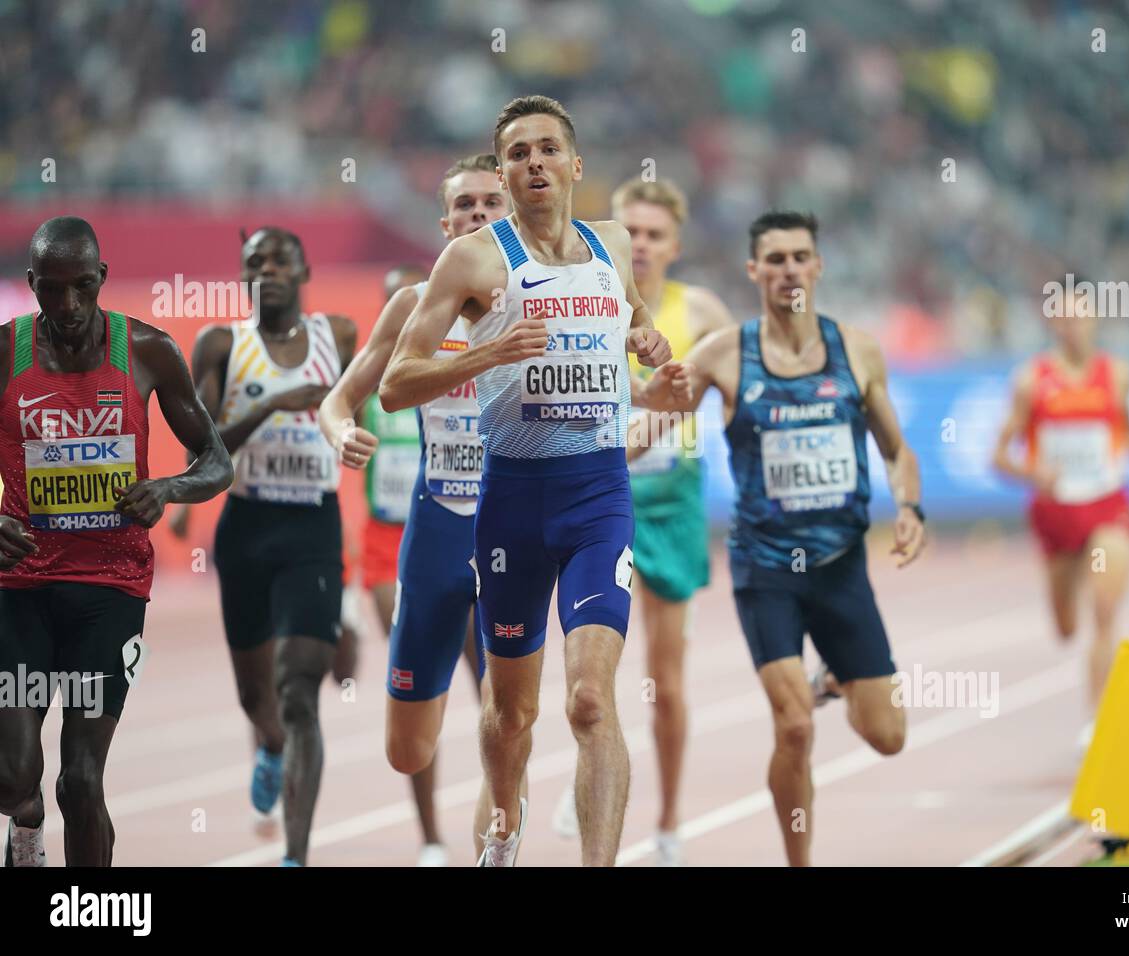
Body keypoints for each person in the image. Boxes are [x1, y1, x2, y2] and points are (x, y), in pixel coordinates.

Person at [380, 95, 677, 866]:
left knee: (587, 700)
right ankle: (503, 827)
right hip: (509, 502)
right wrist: (488, 351)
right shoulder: (475, 260)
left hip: (597, 499)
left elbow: (642, 324)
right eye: (518, 153)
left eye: (548, 149)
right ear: (505, 174)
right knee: (510, 715)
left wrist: (647, 341)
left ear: (575, 166)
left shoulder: (610, 244)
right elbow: (397, 383)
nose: (534, 163)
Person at [639, 211, 922, 866]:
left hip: (841, 566)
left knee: (888, 735)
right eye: (776, 259)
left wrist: (910, 508)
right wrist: (600, 454)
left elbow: (896, 449)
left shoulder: (856, 350)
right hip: (765, 568)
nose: (790, 269)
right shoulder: (723, 353)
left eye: (801, 257)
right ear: (754, 271)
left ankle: (838, 680)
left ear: (818, 267)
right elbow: (654, 422)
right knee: (792, 727)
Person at [0, 216, 233, 867]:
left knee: (81, 781)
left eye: (81, 287)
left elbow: (216, 463)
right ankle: (24, 822)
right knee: (14, 776)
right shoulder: (6, 352)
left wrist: (169, 490)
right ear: (32, 285)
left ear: (102, 279)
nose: (67, 306)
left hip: (112, 591)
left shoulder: (148, 351)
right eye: (51, 289)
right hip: (20, 588)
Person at [320, 154, 512, 866]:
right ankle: (434, 829)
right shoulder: (412, 307)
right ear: (444, 223)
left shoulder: (548, 296)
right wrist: (343, 431)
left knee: (506, 704)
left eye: (492, 202)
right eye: (464, 205)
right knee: (407, 747)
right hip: (434, 526)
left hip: (512, 528)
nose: (477, 215)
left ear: (514, 211)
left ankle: (499, 833)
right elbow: (340, 397)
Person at [551, 178, 733, 866]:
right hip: (601, 496)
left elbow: (728, 382)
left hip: (671, 501)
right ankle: (592, 772)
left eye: (657, 235)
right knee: (591, 664)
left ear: (676, 245)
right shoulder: (588, 300)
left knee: (667, 675)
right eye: (634, 233)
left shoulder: (702, 311)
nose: (645, 246)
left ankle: (668, 820)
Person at [190, 227, 356, 866]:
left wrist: (347, 433)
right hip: (247, 530)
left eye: (279, 258)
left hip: (313, 527)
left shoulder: (336, 336)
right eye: (253, 261)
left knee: (298, 692)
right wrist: (276, 404)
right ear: (242, 275)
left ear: (304, 267)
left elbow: (357, 412)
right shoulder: (222, 345)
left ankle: (296, 853)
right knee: (257, 699)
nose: (267, 269)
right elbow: (204, 451)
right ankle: (267, 745)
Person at [991, 283, 1129, 711]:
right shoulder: (1031, 380)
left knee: (1105, 610)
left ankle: (1097, 719)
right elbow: (998, 457)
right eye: (1064, 319)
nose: (1073, 328)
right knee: (1067, 626)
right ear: (1052, 324)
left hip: (1107, 504)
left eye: (1080, 317)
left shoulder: (1119, 373)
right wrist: (1033, 473)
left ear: (1094, 320)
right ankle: (1064, 602)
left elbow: (1125, 429)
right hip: (1056, 513)